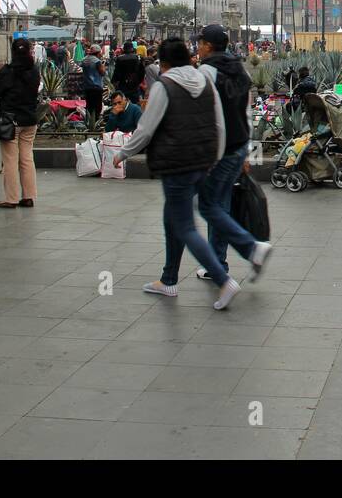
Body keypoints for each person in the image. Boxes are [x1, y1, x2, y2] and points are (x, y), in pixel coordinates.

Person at [113, 38, 264, 310]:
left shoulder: (165, 85)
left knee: (185, 226)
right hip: (204, 160)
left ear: (164, 63)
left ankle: (223, 279)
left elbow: (146, 129)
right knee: (187, 213)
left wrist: (123, 152)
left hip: (176, 164)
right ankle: (169, 278)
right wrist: (216, 157)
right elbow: (219, 124)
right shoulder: (204, 80)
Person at [190, 24, 271, 282]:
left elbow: (203, 114)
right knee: (219, 205)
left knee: (209, 206)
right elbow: (247, 113)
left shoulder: (206, 71)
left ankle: (246, 251)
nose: (197, 47)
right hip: (237, 146)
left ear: (208, 46)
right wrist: (246, 150)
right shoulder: (239, 69)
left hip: (218, 149)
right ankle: (219, 264)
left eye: (200, 42)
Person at [0, 38, 41, 209]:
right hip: (30, 119)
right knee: (27, 158)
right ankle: (29, 196)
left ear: (13, 52)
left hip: (10, 120)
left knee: (10, 159)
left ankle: (11, 198)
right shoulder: (34, 71)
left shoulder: (7, 71)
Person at [81, 46, 105, 119]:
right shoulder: (97, 61)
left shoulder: (84, 60)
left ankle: (89, 121)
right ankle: (95, 121)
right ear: (98, 53)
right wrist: (103, 65)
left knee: (89, 106)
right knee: (97, 107)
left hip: (87, 87)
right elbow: (102, 73)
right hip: (96, 87)